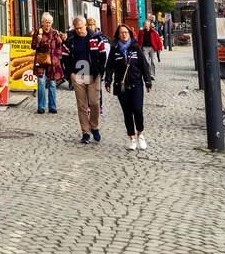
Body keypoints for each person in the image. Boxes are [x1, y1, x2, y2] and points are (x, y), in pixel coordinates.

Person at [104, 24, 154, 151]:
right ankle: (132, 138)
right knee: (127, 113)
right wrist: (108, 82)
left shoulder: (136, 47)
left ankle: (140, 134)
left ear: (129, 34)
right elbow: (109, 67)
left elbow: (144, 65)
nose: (124, 34)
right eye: (121, 33)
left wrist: (147, 81)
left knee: (138, 110)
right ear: (118, 35)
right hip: (121, 85)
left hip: (136, 83)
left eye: (126, 32)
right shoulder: (114, 49)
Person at [63, 15, 105, 144]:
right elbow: (64, 57)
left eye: (81, 28)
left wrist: (100, 71)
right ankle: (85, 132)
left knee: (94, 103)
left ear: (85, 25)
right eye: (76, 29)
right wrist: (70, 74)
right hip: (78, 74)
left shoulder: (95, 38)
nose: (79, 31)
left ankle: (94, 126)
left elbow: (103, 55)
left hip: (93, 74)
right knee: (82, 105)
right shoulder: (70, 40)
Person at [31, 12, 64, 114]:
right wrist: (38, 40)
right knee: (41, 83)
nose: (48, 24)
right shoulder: (37, 32)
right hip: (41, 61)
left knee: (52, 84)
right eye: (46, 22)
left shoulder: (55, 33)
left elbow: (59, 45)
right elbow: (33, 46)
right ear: (42, 22)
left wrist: (57, 57)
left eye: (50, 22)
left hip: (53, 63)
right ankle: (41, 106)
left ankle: (52, 106)